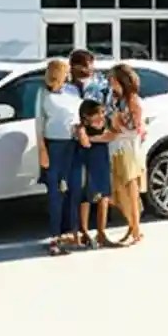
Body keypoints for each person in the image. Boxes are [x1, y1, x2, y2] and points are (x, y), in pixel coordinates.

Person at [35, 58, 83, 256]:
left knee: (73, 188)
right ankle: (54, 236)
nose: (68, 74)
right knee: (56, 191)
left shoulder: (73, 91)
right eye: (65, 71)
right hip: (54, 145)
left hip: (74, 143)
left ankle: (71, 233)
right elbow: (39, 122)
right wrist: (42, 151)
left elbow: (78, 114)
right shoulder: (43, 93)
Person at [65, 49, 111, 246]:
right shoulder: (66, 87)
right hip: (76, 142)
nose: (88, 68)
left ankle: (102, 232)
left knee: (102, 186)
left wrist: (101, 128)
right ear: (73, 66)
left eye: (90, 64)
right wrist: (79, 129)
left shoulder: (101, 84)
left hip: (99, 139)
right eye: (83, 65)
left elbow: (109, 109)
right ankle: (83, 231)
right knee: (82, 188)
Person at [108, 63, 146, 246]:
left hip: (128, 150)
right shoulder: (118, 99)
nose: (111, 84)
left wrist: (116, 120)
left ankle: (136, 227)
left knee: (130, 190)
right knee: (118, 192)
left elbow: (134, 127)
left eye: (113, 80)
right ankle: (132, 226)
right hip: (118, 148)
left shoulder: (133, 101)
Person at [74, 98, 117, 248]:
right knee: (86, 196)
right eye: (97, 114)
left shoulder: (106, 124)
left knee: (104, 195)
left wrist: (92, 138)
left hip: (102, 160)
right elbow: (84, 142)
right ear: (86, 116)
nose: (101, 117)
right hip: (87, 161)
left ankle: (101, 232)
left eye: (102, 113)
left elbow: (111, 136)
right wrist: (90, 137)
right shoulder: (80, 128)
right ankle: (84, 231)